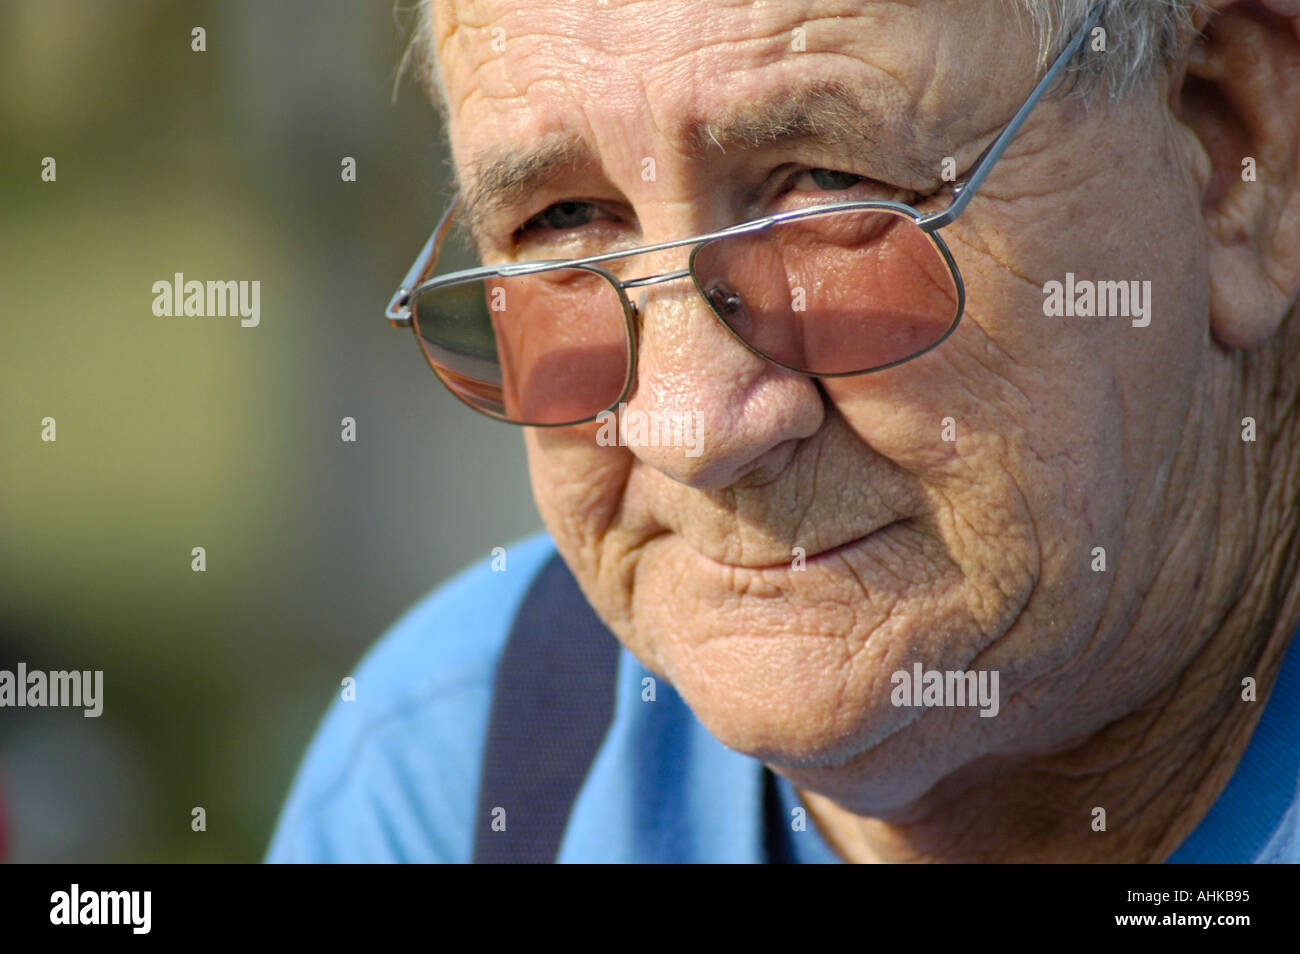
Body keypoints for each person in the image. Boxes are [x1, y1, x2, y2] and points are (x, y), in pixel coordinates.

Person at [267, 0, 1300, 863]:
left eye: (825, 188)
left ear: (1234, 156)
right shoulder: (465, 769)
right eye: (564, 225)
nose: (693, 426)